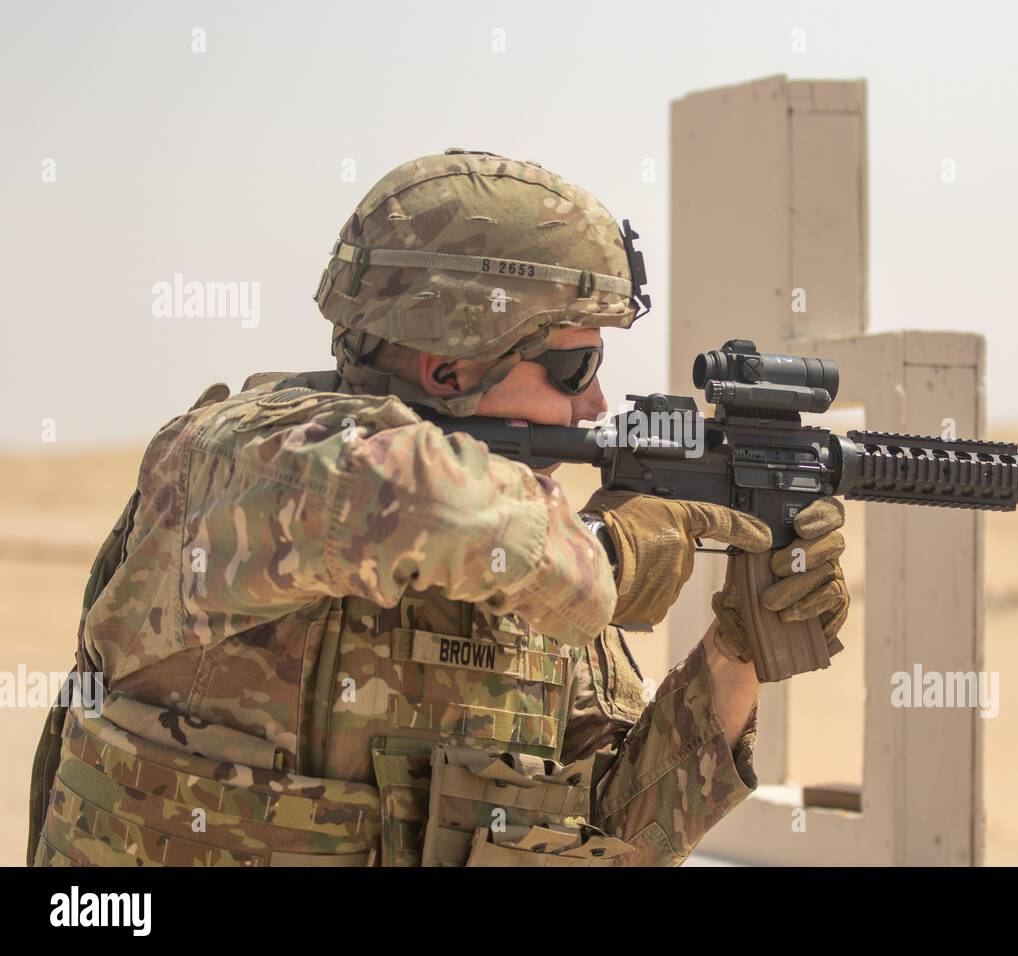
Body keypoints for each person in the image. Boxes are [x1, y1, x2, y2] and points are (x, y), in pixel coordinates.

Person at [28, 149, 848, 867]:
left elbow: (615, 842)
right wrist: (604, 549)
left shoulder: (533, 568)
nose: (593, 401)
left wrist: (739, 647)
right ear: (449, 366)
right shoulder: (231, 461)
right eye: (573, 365)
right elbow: (399, 493)